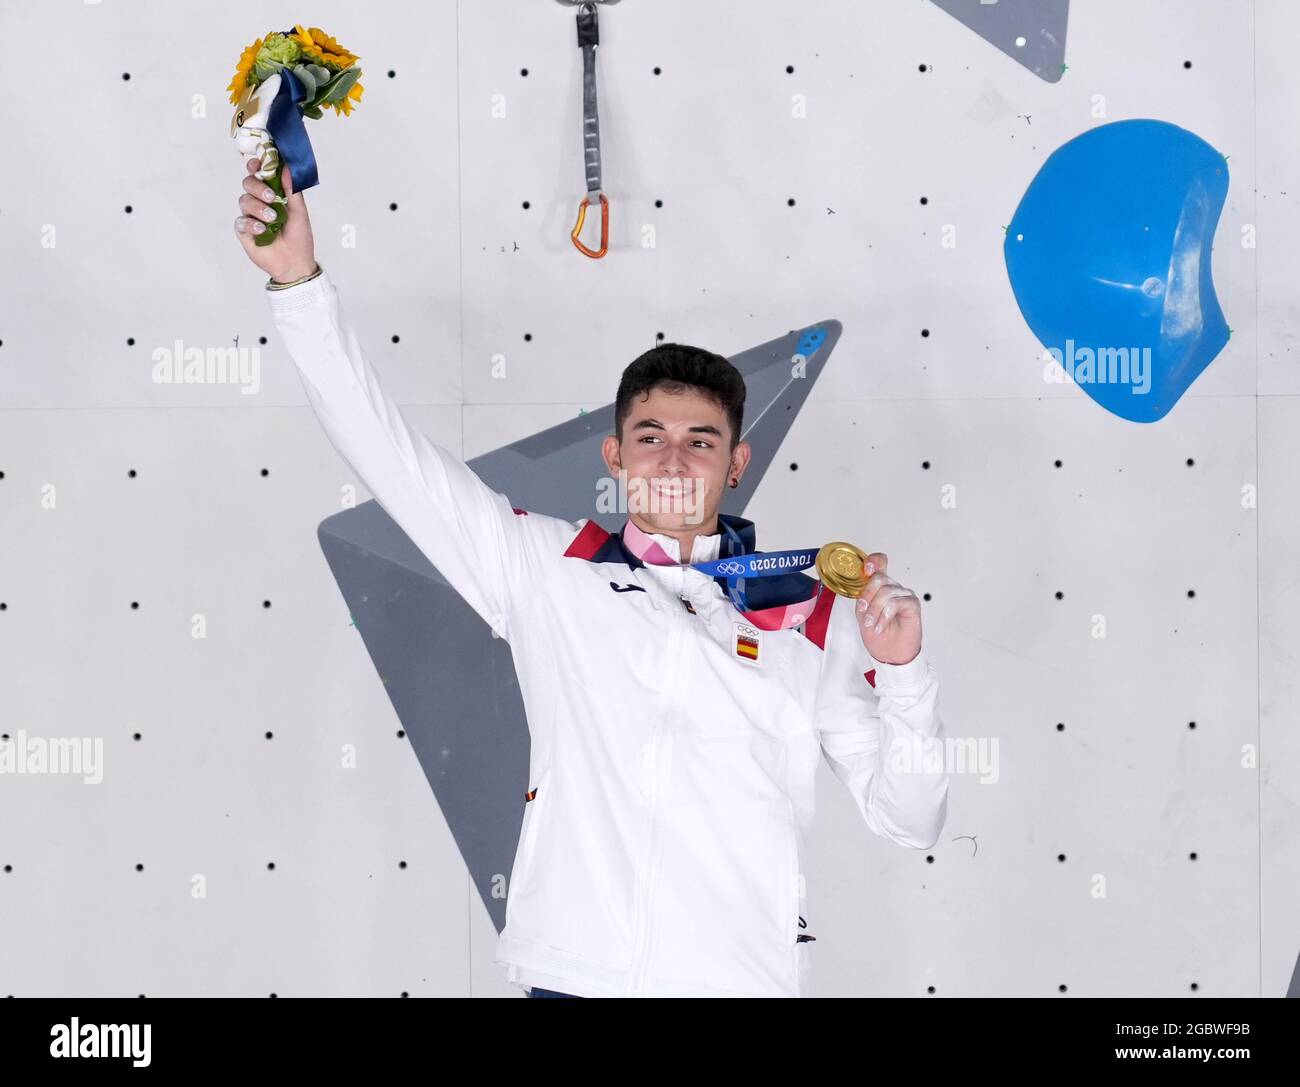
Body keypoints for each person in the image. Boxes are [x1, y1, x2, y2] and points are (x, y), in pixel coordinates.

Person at [235, 159, 951, 998]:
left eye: (701, 440)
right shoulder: (545, 568)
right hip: (573, 982)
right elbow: (385, 451)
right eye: (650, 436)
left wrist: (903, 673)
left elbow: (912, 817)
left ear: (736, 462)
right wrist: (299, 286)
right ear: (616, 457)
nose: (674, 458)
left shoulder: (814, 610)